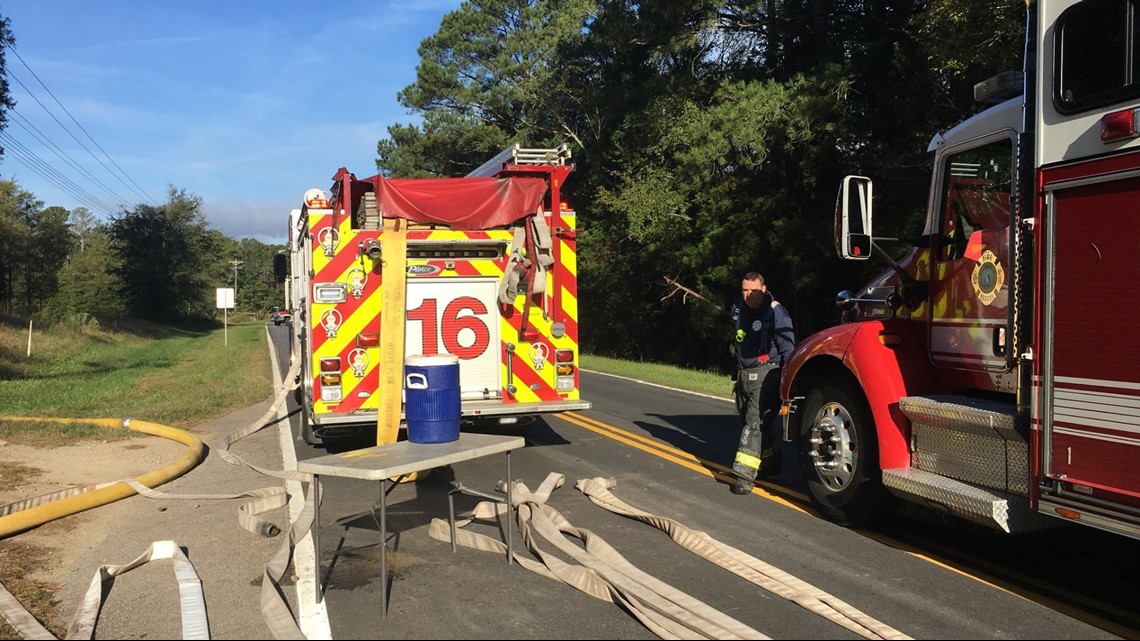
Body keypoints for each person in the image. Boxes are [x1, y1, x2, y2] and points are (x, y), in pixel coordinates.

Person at [729, 272, 795, 495]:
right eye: (745, 290)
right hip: (743, 374)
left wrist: (787, 384)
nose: (749, 295)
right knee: (751, 422)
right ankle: (770, 460)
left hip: (767, 375)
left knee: (753, 424)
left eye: (754, 291)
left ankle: (744, 477)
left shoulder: (777, 312)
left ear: (764, 289)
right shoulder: (738, 308)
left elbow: (788, 351)